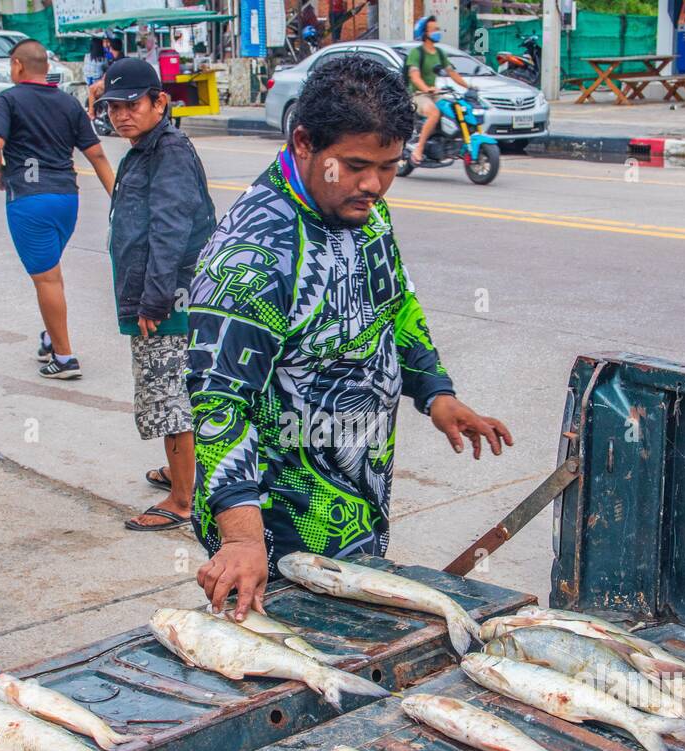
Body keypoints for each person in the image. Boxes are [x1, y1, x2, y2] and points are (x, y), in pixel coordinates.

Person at [186, 54, 512, 617]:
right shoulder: (253, 254)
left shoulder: (362, 209)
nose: (374, 185)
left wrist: (435, 391)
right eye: (357, 165)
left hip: (358, 502)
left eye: (388, 166)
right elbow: (218, 404)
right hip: (276, 524)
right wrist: (242, 538)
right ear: (304, 142)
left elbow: (395, 304)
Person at [97, 58, 216, 531]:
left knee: (169, 398)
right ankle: (181, 470)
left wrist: (154, 300)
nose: (122, 114)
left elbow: (170, 229)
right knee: (172, 394)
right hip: (160, 293)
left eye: (132, 104)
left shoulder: (168, 151)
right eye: (113, 107)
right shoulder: (145, 148)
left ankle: (183, 499)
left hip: (171, 299)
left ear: (159, 102)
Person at [0, 39, 116, 380]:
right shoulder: (68, 103)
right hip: (67, 200)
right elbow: (97, 154)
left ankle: (65, 357)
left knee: (47, 279)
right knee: (50, 273)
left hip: (29, 200)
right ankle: (50, 338)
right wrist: (119, 196)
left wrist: (0, 170)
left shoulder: (8, 100)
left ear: (17, 65)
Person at [405, 15, 470, 167]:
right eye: (434, 30)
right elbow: (414, 77)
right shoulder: (417, 53)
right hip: (418, 95)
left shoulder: (440, 53)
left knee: (454, 108)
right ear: (425, 33)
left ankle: (445, 140)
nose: (437, 32)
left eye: (438, 29)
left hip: (435, 93)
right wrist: (426, 88)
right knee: (434, 112)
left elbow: (452, 73)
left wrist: (469, 87)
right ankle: (419, 148)